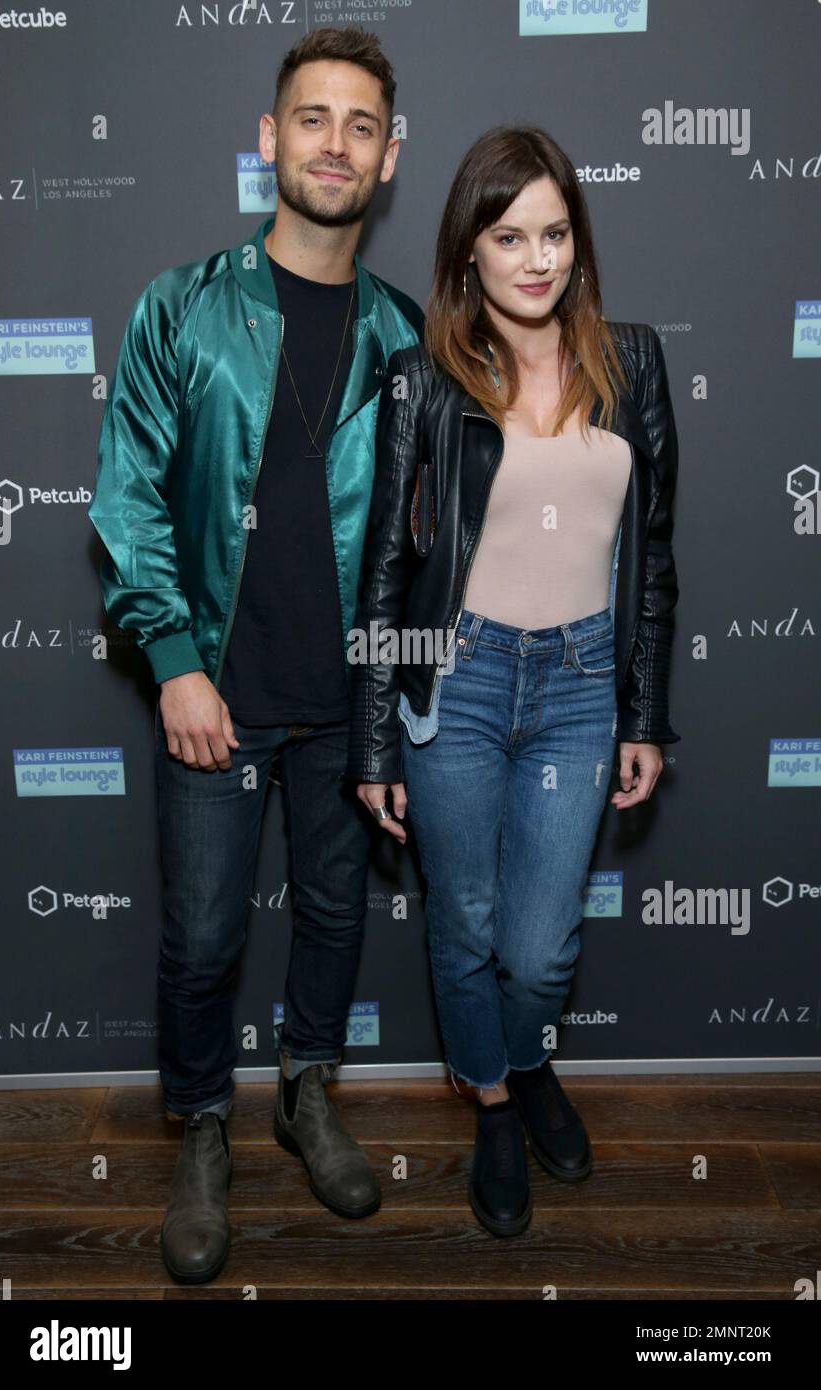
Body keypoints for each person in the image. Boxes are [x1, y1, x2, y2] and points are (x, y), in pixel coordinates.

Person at [87, 27, 425, 1284]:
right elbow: (127, 496)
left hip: (348, 706)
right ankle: (201, 1125)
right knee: (202, 937)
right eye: (312, 118)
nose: (335, 144)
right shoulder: (180, 305)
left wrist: (401, 698)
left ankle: (304, 1090)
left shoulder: (404, 337)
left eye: (359, 125)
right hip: (215, 698)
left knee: (334, 916)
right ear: (270, 138)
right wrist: (174, 658)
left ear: (388, 157)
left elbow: (421, 542)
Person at [346, 125, 681, 1238]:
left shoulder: (631, 362)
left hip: (581, 685)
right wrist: (376, 741)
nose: (535, 259)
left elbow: (650, 556)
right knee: (467, 923)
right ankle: (493, 1101)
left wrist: (643, 713)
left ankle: (526, 1057)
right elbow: (387, 569)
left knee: (537, 952)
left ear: (577, 242)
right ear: (467, 252)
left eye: (554, 234)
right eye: (507, 236)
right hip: (461, 679)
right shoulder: (423, 378)